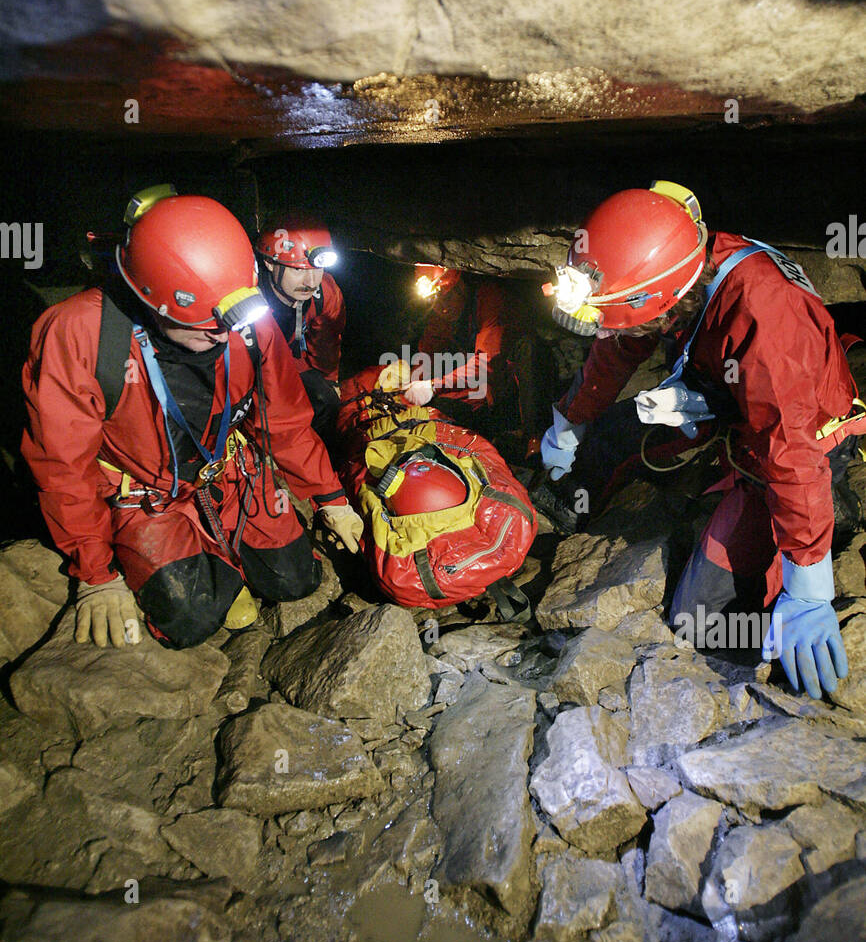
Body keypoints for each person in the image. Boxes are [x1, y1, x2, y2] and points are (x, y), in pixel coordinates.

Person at [538, 180, 866, 701]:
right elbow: (619, 347)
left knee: (701, 622)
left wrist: (810, 589)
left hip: (800, 448)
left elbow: (792, 453)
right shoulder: (678, 265)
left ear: (662, 301)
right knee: (615, 434)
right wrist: (570, 421)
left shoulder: (766, 315)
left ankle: (822, 545)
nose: (612, 332)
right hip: (741, 419)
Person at [21, 189, 363, 650]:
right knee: (190, 618)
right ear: (153, 300)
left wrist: (330, 496)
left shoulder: (245, 316)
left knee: (295, 580)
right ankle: (199, 560)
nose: (223, 334)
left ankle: (225, 556)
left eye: (229, 322)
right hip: (147, 495)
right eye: (205, 326)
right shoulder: (79, 334)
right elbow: (62, 468)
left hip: (230, 476)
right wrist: (96, 574)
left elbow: (283, 421)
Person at [401, 264, 553, 461]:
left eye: (447, 297)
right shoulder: (445, 313)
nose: (442, 307)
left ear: (461, 287)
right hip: (488, 389)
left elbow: (485, 365)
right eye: (434, 300)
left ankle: (536, 438)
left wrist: (432, 385)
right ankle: (491, 435)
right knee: (442, 405)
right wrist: (412, 385)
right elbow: (429, 349)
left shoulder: (490, 300)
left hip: (512, 383)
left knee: (529, 349)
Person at [255, 218, 345, 439]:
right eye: (298, 270)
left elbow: (326, 345)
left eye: (318, 269)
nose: (311, 281)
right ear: (270, 263)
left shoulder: (325, 293)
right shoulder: (248, 298)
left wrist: (330, 382)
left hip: (294, 364)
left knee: (327, 402)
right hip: (253, 372)